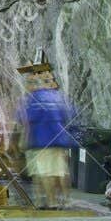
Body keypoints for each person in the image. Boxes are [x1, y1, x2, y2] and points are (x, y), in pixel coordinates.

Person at [18, 77, 75, 210]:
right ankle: (66, 200)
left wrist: (23, 140)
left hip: (40, 141)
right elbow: (70, 115)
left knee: (45, 173)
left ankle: (50, 202)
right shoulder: (58, 97)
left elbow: (24, 121)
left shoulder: (30, 100)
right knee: (61, 171)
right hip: (60, 140)